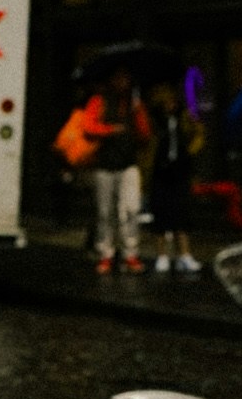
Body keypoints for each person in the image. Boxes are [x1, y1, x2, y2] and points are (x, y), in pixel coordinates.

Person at [79, 63, 152, 272]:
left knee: (130, 210)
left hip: (128, 164)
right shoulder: (99, 101)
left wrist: (138, 112)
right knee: (105, 212)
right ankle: (106, 253)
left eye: (125, 78)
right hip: (105, 164)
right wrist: (110, 130)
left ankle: (131, 253)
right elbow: (88, 126)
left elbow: (145, 135)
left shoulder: (134, 103)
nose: (122, 82)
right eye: (118, 78)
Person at [144, 78, 199, 278]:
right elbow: (148, 143)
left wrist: (188, 153)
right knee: (161, 214)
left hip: (180, 172)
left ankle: (184, 254)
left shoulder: (184, 118)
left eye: (173, 101)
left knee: (182, 214)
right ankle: (162, 255)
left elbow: (197, 135)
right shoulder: (156, 122)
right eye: (166, 101)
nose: (170, 105)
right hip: (160, 172)